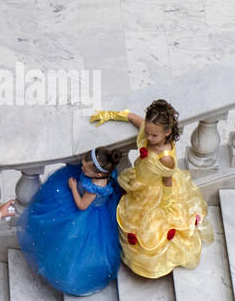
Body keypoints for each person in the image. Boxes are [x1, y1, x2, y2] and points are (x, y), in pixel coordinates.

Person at [91, 99, 213, 278]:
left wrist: (166, 204)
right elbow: (134, 118)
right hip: (141, 181)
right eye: (147, 133)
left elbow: (168, 181)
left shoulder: (165, 158)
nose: (148, 138)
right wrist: (110, 115)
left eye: (154, 136)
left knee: (150, 228)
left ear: (168, 132)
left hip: (155, 191)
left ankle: (153, 263)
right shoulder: (150, 131)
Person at [16, 146, 123, 296]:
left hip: (87, 215)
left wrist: (73, 187)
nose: (82, 170)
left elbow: (82, 205)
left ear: (98, 174)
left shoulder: (94, 188)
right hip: (97, 207)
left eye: (85, 170)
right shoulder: (105, 174)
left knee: (69, 243)